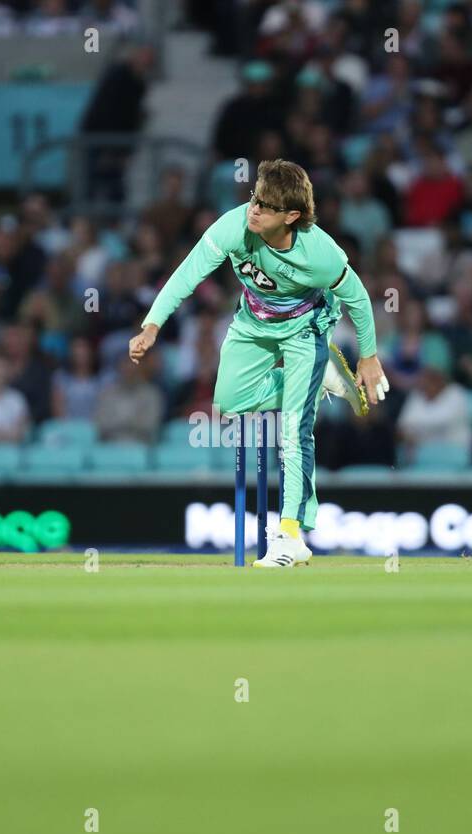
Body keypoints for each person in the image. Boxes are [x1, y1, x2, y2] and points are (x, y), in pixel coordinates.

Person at [127, 160, 387, 568]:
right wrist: (152, 326)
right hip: (251, 323)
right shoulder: (233, 226)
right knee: (229, 403)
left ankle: (289, 535)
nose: (254, 210)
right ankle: (318, 380)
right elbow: (187, 274)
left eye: (265, 206)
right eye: (254, 198)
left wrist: (369, 356)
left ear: (292, 216)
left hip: (305, 329)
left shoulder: (320, 253)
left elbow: (358, 298)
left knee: (293, 431)